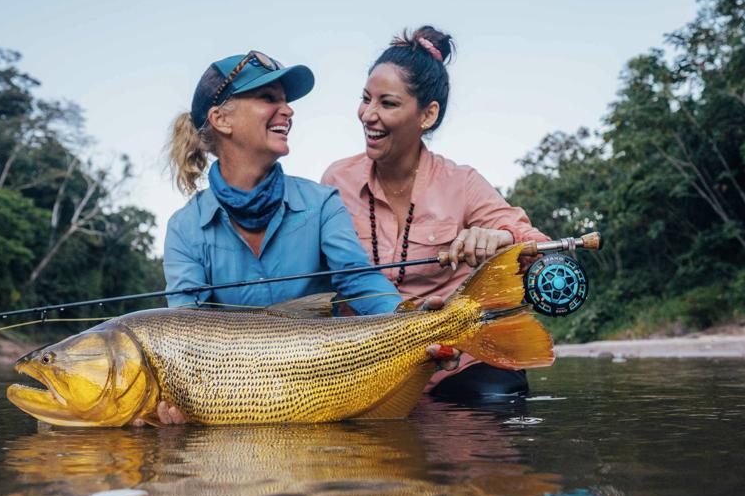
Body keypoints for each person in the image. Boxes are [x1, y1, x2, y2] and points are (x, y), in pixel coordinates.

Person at [145, 49, 445, 426]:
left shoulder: (322, 204)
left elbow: (359, 281)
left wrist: (415, 321)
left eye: (286, 102)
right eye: (268, 99)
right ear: (221, 119)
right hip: (232, 400)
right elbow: (185, 329)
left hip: (326, 391)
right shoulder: (184, 229)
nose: (287, 111)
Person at [321, 26, 550, 399]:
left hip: (458, 366)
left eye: (388, 104)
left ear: (427, 115)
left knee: (497, 401)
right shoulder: (336, 179)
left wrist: (503, 237)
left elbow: (539, 244)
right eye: (366, 99)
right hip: (368, 370)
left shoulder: (462, 183)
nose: (368, 114)